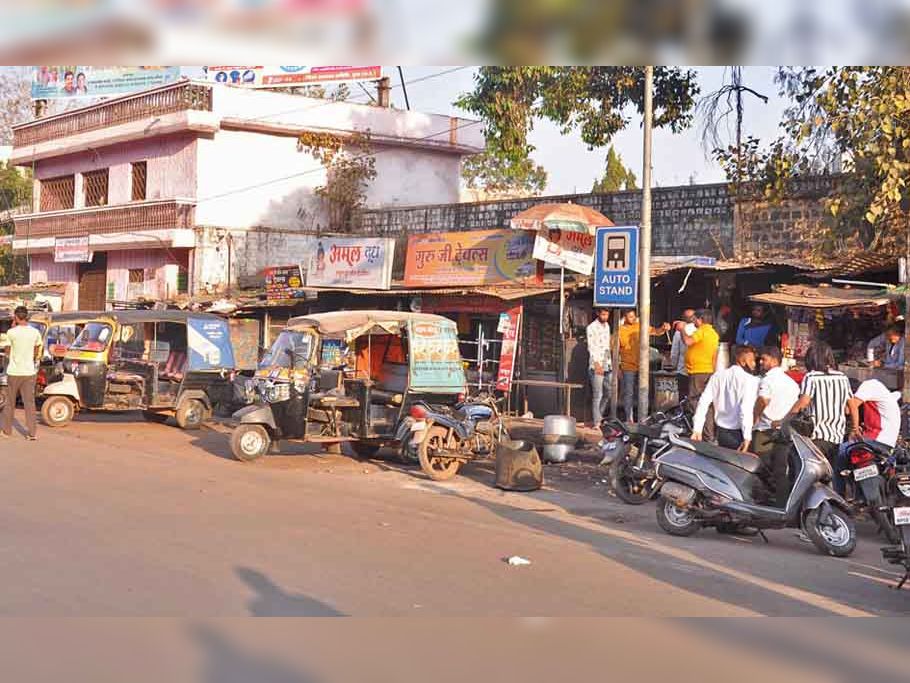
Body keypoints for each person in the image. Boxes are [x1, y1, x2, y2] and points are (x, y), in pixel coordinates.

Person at [830, 377, 902, 495]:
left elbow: (849, 408)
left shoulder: (869, 385)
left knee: (839, 452)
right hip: (886, 443)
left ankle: (838, 495)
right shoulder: (882, 391)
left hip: (877, 440)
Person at [787, 341, 852, 466]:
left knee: (801, 465)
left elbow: (803, 402)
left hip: (816, 436)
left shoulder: (811, 377)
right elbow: (850, 407)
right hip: (837, 437)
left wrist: (785, 420)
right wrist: (854, 427)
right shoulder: (842, 377)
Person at [752, 346, 801, 506]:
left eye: (764, 359)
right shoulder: (792, 383)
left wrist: (755, 416)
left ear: (774, 360)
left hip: (764, 430)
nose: (760, 362)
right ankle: (782, 504)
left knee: (760, 467)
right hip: (784, 432)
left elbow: (763, 401)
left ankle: (762, 502)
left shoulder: (767, 380)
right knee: (780, 469)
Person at [691, 345, 759, 451]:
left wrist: (697, 428)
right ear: (742, 361)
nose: (754, 364)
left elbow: (703, 402)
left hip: (721, 432)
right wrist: (747, 437)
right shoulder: (750, 381)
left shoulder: (717, 376)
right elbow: (745, 410)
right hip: (739, 433)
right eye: (751, 360)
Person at [617, 310, 670, 423]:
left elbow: (656, 331)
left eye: (633, 316)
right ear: (624, 318)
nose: (632, 318)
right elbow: (615, 350)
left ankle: (643, 418)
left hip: (643, 365)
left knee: (643, 390)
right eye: (629, 316)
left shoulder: (640, 326)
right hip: (627, 365)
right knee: (629, 392)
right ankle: (629, 418)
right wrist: (617, 367)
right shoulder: (620, 330)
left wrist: (663, 328)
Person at [0, 306, 43, 441]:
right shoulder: (35, 332)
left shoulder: (11, 332)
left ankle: (7, 431)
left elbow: (7, 351)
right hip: (29, 372)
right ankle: (32, 433)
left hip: (14, 372)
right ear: (27, 316)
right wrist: (31, 358)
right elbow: (37, 349)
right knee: (29, 403)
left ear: (16, 317)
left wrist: (13, 326)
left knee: (10, 403)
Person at [682, 309, 720, 439]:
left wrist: (682, 329)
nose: (694, 322)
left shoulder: (702, 331)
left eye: (695, 319)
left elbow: (688, 342)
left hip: (698, 371)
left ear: (700, 320)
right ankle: (708, 433)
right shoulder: (714, 334)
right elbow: (715, 355)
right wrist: (713, 372)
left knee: (694, 401)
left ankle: (700, 431)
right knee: (706, 402)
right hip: (708, 370)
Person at [586, 308, 612, 427]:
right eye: (603, 314)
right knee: (598, 394)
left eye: (607, 314)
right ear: (598, 314)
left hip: (607, 363)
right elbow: (591, 347)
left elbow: (607, 346)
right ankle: (597, 422)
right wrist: (597, 364)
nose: (605, 316)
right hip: (596, 364)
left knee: (609, 392)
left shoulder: (607, 326)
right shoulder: (591, 327)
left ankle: (599, 415)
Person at [670, 309, 695, 401]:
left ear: (683, 318)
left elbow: (674, 352)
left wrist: (673, 365)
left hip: (683, 370)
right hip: (697, 370)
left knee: (683, 395)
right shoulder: (700, 330)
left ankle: (684, 413)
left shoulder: (679, 332)